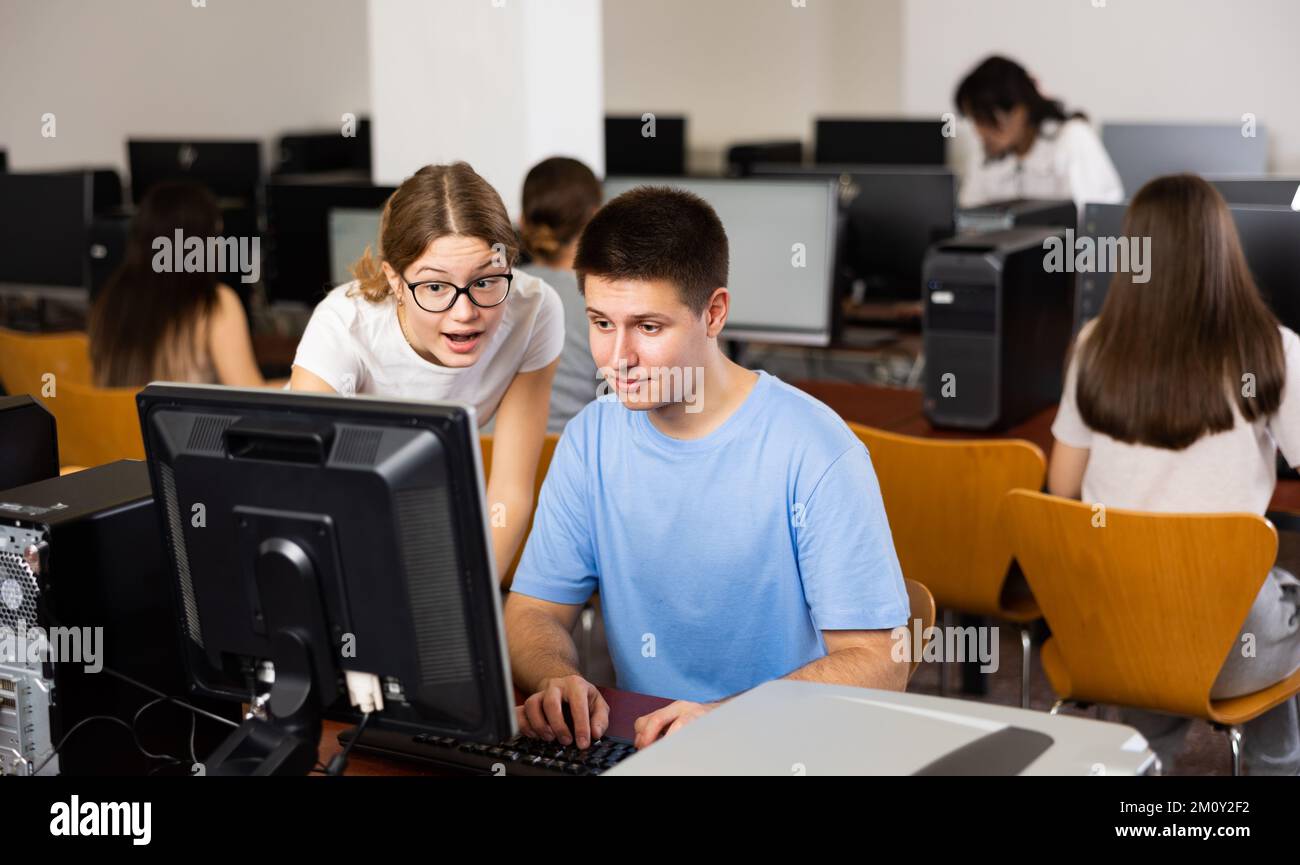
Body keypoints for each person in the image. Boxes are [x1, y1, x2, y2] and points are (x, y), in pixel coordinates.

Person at [503, 186, 911, 751]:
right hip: (647, 749)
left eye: (648, 327)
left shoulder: (815, 449)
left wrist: (728, 719)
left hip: (788, 751)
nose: (616, 358)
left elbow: (881, 661)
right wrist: (555, 678)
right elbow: (532, 611)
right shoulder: (590, 439)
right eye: (600, 322)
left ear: (714, 312)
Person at [1049, 173, 1300, 774]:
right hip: (1229, 649)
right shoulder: (1274, 349)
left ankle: (1143, 758)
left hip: (1110, 635)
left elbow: (1060, 493)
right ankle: (1274, 764)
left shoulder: (1093, 346)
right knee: (1275, 601)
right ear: (1224, 251)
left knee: (1155, 614)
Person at [290, 162, 562, 580]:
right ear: (395, 281)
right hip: (339, 510)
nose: (465, 313)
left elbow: (508, 493)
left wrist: (471, 607)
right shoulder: (345, 324)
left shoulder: (534, 311)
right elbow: (305, 490)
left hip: (430, 502)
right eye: (435, 287)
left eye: (487, 281)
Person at [89, 182, 266, 388]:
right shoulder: (215, 305)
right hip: (177, 422)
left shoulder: (108, 301)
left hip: (114, 421)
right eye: (216, 236)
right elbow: (251, 395)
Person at [954, 55, 1123, 211]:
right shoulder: (985, 156)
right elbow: (968, 217)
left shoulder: (1072, 138)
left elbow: (1092, 222)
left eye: (984, 119)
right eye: (974, 120)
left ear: (1019, 110)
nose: (978, 131)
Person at [519, 157, 602, 433]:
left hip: (485, 457)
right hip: (566, 460)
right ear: (595, 218)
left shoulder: (489, 291)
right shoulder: (603, 302)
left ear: (522, 220)